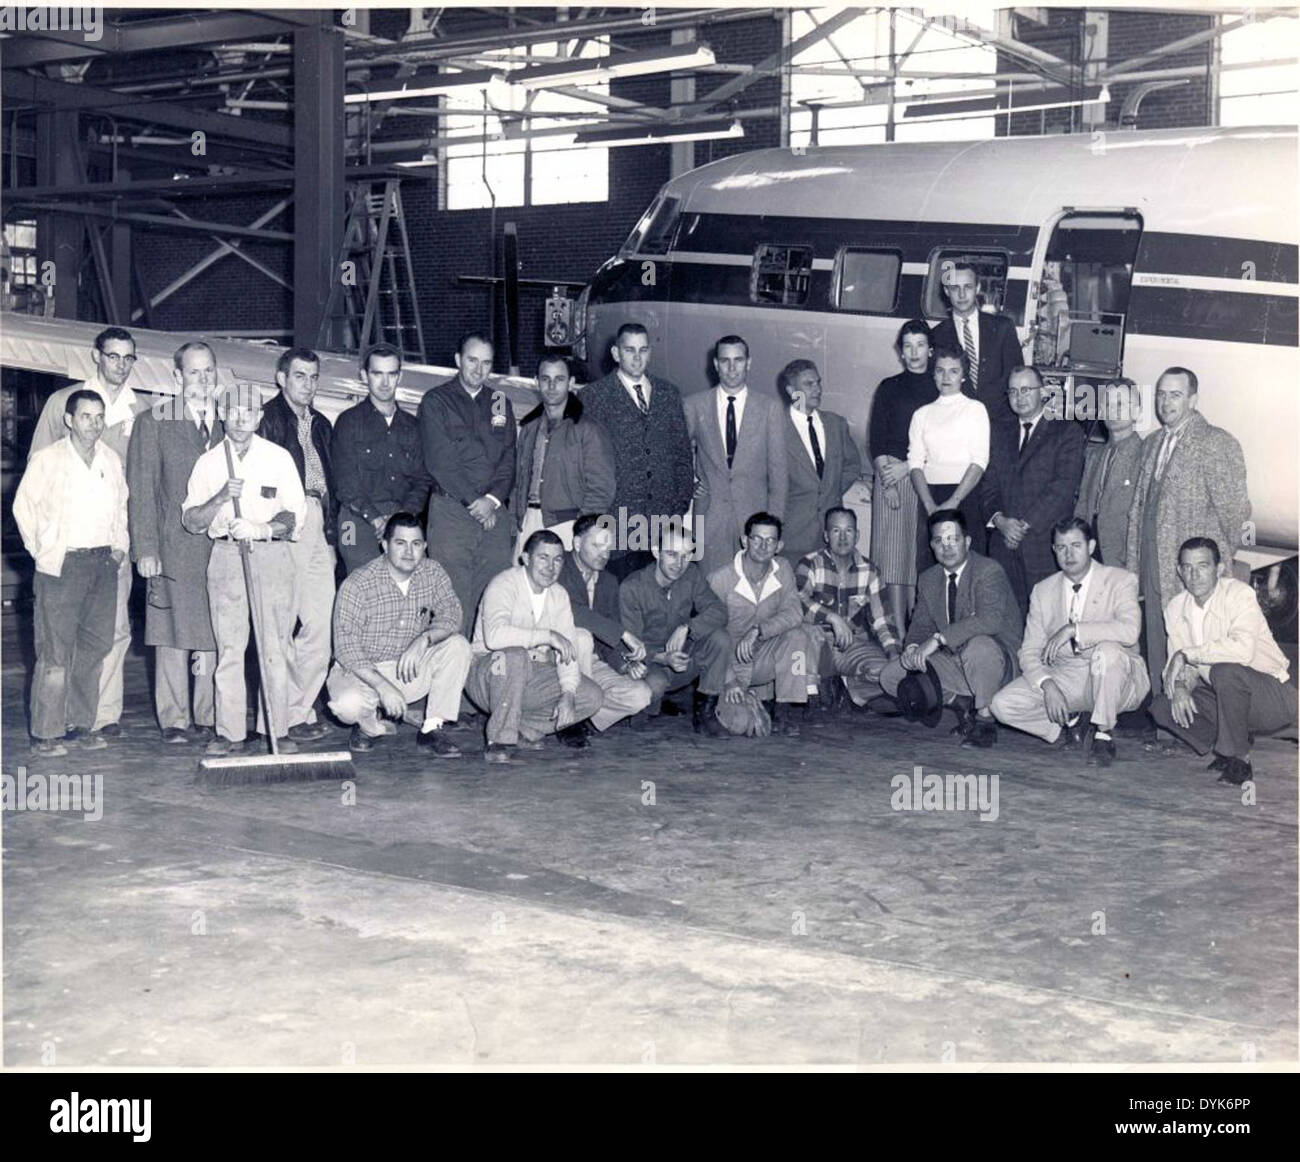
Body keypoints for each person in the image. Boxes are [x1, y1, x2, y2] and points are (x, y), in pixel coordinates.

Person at [29, 326, 149, 739]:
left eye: (127, 357)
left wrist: (122, 546)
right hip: (65, 554)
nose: (120, 364)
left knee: (110, 633)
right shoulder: (61, 402)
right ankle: (52, 725)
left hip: (110, 550)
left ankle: (100, 716)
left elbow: (133, 490)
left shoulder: (142, 408)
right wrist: (47, 547)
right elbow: (32, 488)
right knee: (58, 645)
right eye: (112, 355)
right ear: (96, 356)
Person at [182, 384, 307, 757]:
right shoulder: (207, 463)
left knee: (275, 648)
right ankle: (229, 732)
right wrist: (220, 497)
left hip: (272, 557)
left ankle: (277, 729)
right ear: (222, 414)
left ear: (260, 417)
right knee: (230, 648)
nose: (240, 418)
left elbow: (294, 512)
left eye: (249, 412)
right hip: (226, 558)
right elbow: (190, 520)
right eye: (233, 410)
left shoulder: (278, 458)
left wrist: (264, 528)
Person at [14, 389, 129, 756]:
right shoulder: (48, 460)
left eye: (99, 417)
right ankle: (46, 733)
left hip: (102, 564)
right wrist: (45, 552)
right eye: (86, 416)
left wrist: (118, 548)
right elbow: (23, 509)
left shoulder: (110, 460)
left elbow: (122, 508)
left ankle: (81, 724)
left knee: (94, 648)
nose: (94, 424)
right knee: (55, 652)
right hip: (61, 566)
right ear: (69, 419)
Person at [1125, 367, 1250, 695]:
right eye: (1161, 394)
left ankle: (1198, 722)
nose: (1165, 402)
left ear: (1193, 399)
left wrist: (1214, 563)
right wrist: (1135, 563)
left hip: (1192, 569)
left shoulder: (1216, 442)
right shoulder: (1152, 442)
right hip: (1152, 564)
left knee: (1198, 645)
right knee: (1159, 639)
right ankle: (1165, 718)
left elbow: (1236, 512)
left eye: (1175, 395)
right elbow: (1140, 507)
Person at [991, 517, 1149, 767]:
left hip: (1117, 675)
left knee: (1107, 652)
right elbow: (1029, 650)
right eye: (1061, 547)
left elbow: (1129, 631)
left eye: (1076, 545)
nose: (1068, 554)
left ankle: (1103, 734)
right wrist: (1048, 685)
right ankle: (1072, 722)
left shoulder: (1120, 580)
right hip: (1068, 676)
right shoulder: (1043, 591)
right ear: (1053, 551)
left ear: (1092, 546)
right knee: (1001, 705)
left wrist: (1074, 630)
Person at [127, 340, 224, 743]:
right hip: (172, 544)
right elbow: (142, 491)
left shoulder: (231, 421)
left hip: (221, 548)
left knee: (214, 630)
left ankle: (208, 713)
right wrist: (145, 549)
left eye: (208, 371)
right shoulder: (154, 422)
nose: (202, 380)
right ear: (178, 376)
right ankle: (174, 719)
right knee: (170, 630)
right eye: (194, 372)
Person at [1151, 537, 1295, 787]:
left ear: (1219, 569)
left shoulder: (1240, 594)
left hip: (1272, 695)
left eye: (1203, 566)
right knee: (1163, 706)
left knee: (1224, 671)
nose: (1194, 575)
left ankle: (1239, 758)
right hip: (1224, 694)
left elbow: (1242, 652)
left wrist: (1188, 654)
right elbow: (1175, 667)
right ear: (1179, 571)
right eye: (1187, 567)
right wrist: (1182, 686)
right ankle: (1228, 742)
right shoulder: (1175, 607)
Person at [326, 512, 469, 758]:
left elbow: (453, 614)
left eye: (416, 544)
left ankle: (432, 729)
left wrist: (423, 640)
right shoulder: (358, 583)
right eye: (400, 543)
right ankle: (369, 728)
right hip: (361, 672)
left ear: (424, 546)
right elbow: (345, 648)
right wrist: (382, 686)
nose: (409, 552)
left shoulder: (432, 572)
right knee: (348, 706)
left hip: (407, 668)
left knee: (458, 646)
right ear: (384, 545)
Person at [879, 509, 1022, 748]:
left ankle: (985, 719)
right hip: (955, 662)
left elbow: (990, 621)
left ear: (967, 541)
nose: (946, 547)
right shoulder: (928, 578)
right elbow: (920, 624)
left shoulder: (988, 570)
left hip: (996, 663)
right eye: (938, 541)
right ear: (932, 547)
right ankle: (961, 702)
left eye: (953, 539)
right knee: (890, 676)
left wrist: (937, 640)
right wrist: (913, 648)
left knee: (980, 646)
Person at [465, 530, 604, 763]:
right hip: (487, 672)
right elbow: (494, 638)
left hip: (529, 672)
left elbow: (567, 651)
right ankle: (499, 739)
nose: (551, 567)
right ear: (526, 559)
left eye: (557, 559)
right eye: (543, 558)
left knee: (591, 695)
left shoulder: (559, 595)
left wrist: (569, 693)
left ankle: (521, 730)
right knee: (514, 655)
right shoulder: (503, 584)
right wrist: (547, 636)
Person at [257, 347, 338, 742]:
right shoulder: (266, 420)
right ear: (281, 378)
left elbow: (333, 486)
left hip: (318, 522)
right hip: (284, 522)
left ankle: (299, 708)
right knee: (280, 626)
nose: (308, 384)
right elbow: (257, 479)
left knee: (321, 624)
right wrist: (273, 524)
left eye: (313, 377)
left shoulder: (322, 424)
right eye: (300, 376)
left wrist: (332, 535)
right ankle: (276, 719)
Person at [579, 322, 695, 580]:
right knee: (618, 595)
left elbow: (683, 457)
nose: (637, 357)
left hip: (663, 521)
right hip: (617, 521)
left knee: (658, 599)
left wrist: (678, 507)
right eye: (629, 350)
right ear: (615, 354)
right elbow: (586, 463)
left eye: (643, 350)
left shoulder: (668, 394)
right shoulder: (594, 397)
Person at [418, 332, 517, 633]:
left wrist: (492, 501)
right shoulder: (436, 401)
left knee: (494, 599)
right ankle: (452, 676)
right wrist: (476, 502)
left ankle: (485, 675)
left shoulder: (500, 402)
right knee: (453, 600)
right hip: (452, 511)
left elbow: (509, 457)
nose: (478, 369)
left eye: (486, 363)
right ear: (458, 360)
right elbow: (440, 460)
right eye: (472, 360)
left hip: (494, 513)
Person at [979, 365, 1087, 614]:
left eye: (1026, 389)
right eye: (1013, 391)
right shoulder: (998, 432)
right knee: (1005, 617)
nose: (1020, 397)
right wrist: (1000, 521)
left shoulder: (1067, 431)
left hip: (1042, 543)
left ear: (1044, 392)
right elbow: (988, 484)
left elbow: (1062, 488)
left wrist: (1023, 525)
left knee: (1046, 616)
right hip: (1002, 543)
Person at [683, 335, 788, 578]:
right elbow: (675, 455)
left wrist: (775, 527)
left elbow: (779, 474)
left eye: (738, 360)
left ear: (749, 363)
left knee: (752, 593)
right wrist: (689, 482)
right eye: (725, 361)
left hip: (756, 521)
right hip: (710, 520)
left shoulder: (769, 408)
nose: (732, 368)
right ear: (715, 364)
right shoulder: (694, 405)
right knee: (711, 593)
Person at [618, 523, 731, 737]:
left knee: (720, 638)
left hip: (681, 657)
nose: (679, 564)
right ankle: (643, 709)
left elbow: (719, 611)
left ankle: (705, 713)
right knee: (653, 689)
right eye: (671, 554)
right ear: (655, 552)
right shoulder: (632, 587)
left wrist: (688, 628)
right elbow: (631, 648)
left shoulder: (692, 575)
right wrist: (663, 658)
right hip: (651, 663)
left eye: (686, 555)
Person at [708, 512, 814, 737]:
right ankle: (748, 700)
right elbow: (709, 637)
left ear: (779, 545)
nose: (763, 546)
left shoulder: (782, 568)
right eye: (757, 538)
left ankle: (784, 712)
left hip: (763, 657)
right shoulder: (720, 579)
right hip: (728, 665)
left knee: (798, 636)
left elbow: (795, 612)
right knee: (740, 725)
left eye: (770, 540)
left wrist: (759, 630)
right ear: (744, 540)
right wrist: (729, 680)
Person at [330, 343, 432, 576]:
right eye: (377, 374)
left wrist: (399, 519)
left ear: (400, 376)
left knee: (409, 587)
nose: (385, 383)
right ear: (364, 375)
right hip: (355, 520)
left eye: (391, 374)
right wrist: (377, 520)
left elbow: (422, 480)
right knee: (360, 578)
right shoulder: (348, 422)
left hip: (401, 518)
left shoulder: (413, 427)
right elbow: (345, 484)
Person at [868, 319, 939, 637]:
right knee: (893, 558)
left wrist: (910, 467)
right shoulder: (888, 386)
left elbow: (942, 441)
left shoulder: (941, 387)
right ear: (900, 351)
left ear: (930, 349)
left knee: (918, 558)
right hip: (891, 476)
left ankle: (918, 630)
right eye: (907, 346)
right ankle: (895, 632)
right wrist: (888, 480)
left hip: (927, 475)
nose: (914, 353)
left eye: (920, 344)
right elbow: (877, 439)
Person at [557, 513, 654, 745]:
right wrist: (623, 633)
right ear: (577, 543)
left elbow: (605, 642)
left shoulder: (609, 581)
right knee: (581, 637)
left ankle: (587, 718)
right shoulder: (558, 568)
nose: (604, 553)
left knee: (641, 695)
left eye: (609, 546)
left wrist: (625, 664)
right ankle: (570, 722)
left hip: (591, 662)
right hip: (557, 659)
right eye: (597, 545)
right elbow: (572, 612)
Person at [511, 355, 616, 559]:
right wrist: (514, 522)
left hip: (567, 526)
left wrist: (581, 529)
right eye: (545, 379)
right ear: (536, 382)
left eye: (559, 379)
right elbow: (518, 482)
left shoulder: (589, 430)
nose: (551, 386)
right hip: (528, 522)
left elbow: (602, 488)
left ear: (571, 382)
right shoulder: (528, 429)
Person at [796, 507, 900, 710]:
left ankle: (851, 690)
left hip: (852, 646)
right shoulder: (810, 563)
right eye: (836, 531)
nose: (843, 537)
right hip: (816, 645)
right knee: (801, 640)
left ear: (857, 535)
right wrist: (832, 618)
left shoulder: (870, 571)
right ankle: (813, 696)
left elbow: (882, 621)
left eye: (849, 531)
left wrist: (894, 655)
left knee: (887, 673)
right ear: (826, 536)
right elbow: (797, 603)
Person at [907, 346, 989, 572]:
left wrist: (954, 502)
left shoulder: (975, 409)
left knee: (969, 569)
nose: (946, 377)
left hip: (965, 497)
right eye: (940, 371)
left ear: (963, 375)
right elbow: (915, 463)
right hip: (930, 497)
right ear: (933, 374)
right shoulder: (921, 414)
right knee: (931, 569)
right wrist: (929, 505)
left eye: (953, 371)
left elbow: (980, 460)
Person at [778, 358, 863, 564]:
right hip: (792, 535)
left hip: (831, 536)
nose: (817, 389)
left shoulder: (836, 424)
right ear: (791, 391)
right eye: (809, 384)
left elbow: (852, 465)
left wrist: (831, 491)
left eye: (818, 382)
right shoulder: (775, 428)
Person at [929, 261, 1024, 408]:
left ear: (978, 288)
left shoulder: (1002, 328)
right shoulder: (937, 335)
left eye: (968, 287)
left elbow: (1017, 376)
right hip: (957, 420)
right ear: (947, 291)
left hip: (999, 422)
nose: (962, 294)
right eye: (955, 288)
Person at [1074, 378, 1146, 568]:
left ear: (1137, 412)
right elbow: (1082, 504)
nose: (1112, 409)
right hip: (1090, 552)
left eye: (1121, 403)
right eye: (1107, 404)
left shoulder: (1145, 456)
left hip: (1122, 557)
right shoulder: (1094, 454)